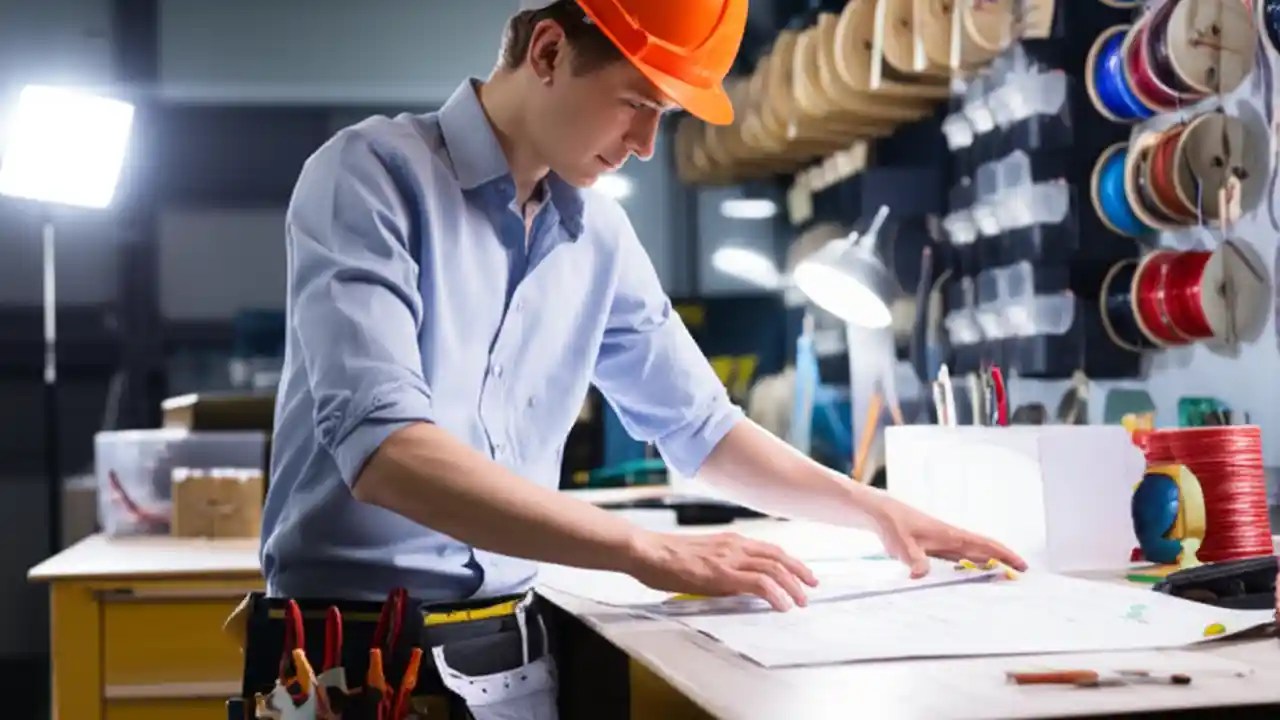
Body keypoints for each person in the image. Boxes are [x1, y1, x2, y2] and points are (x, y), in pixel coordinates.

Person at [254, 0, 1026, 712]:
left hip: (514, 657)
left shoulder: (596, 234)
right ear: (548, 52)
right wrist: (643, 549)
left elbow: (701, 427)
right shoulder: (370, 177)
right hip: (350, 659)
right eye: (637, 102)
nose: (646, 145)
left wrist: (875, 512)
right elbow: (388, 454)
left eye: (664, 114)